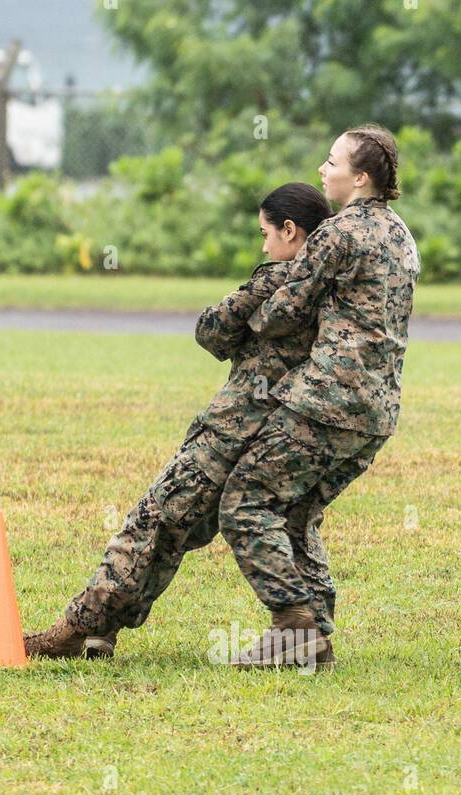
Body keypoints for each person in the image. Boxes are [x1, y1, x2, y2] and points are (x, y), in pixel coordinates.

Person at [23, 182, 332, 660]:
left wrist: (256, 289)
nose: (264, 244)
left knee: (152, 524)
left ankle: (75, 628)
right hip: (284, 434)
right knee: (291, 526)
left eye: (266, 233)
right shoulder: (334, 288)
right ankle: (311, 631)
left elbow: (211, 330)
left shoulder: (277, 278)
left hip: (230, 432)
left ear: (290, 231)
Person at [218, 124, 421, 669]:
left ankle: (293, 624)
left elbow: (287, 307)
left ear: (359, 178)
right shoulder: (402, 234)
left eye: (331, 162)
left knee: (245, 502)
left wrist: (249, 321)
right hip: (377, 413)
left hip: (326, 401)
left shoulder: (337, 234)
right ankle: (316, 639)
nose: (321, 171)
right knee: (297, 511)